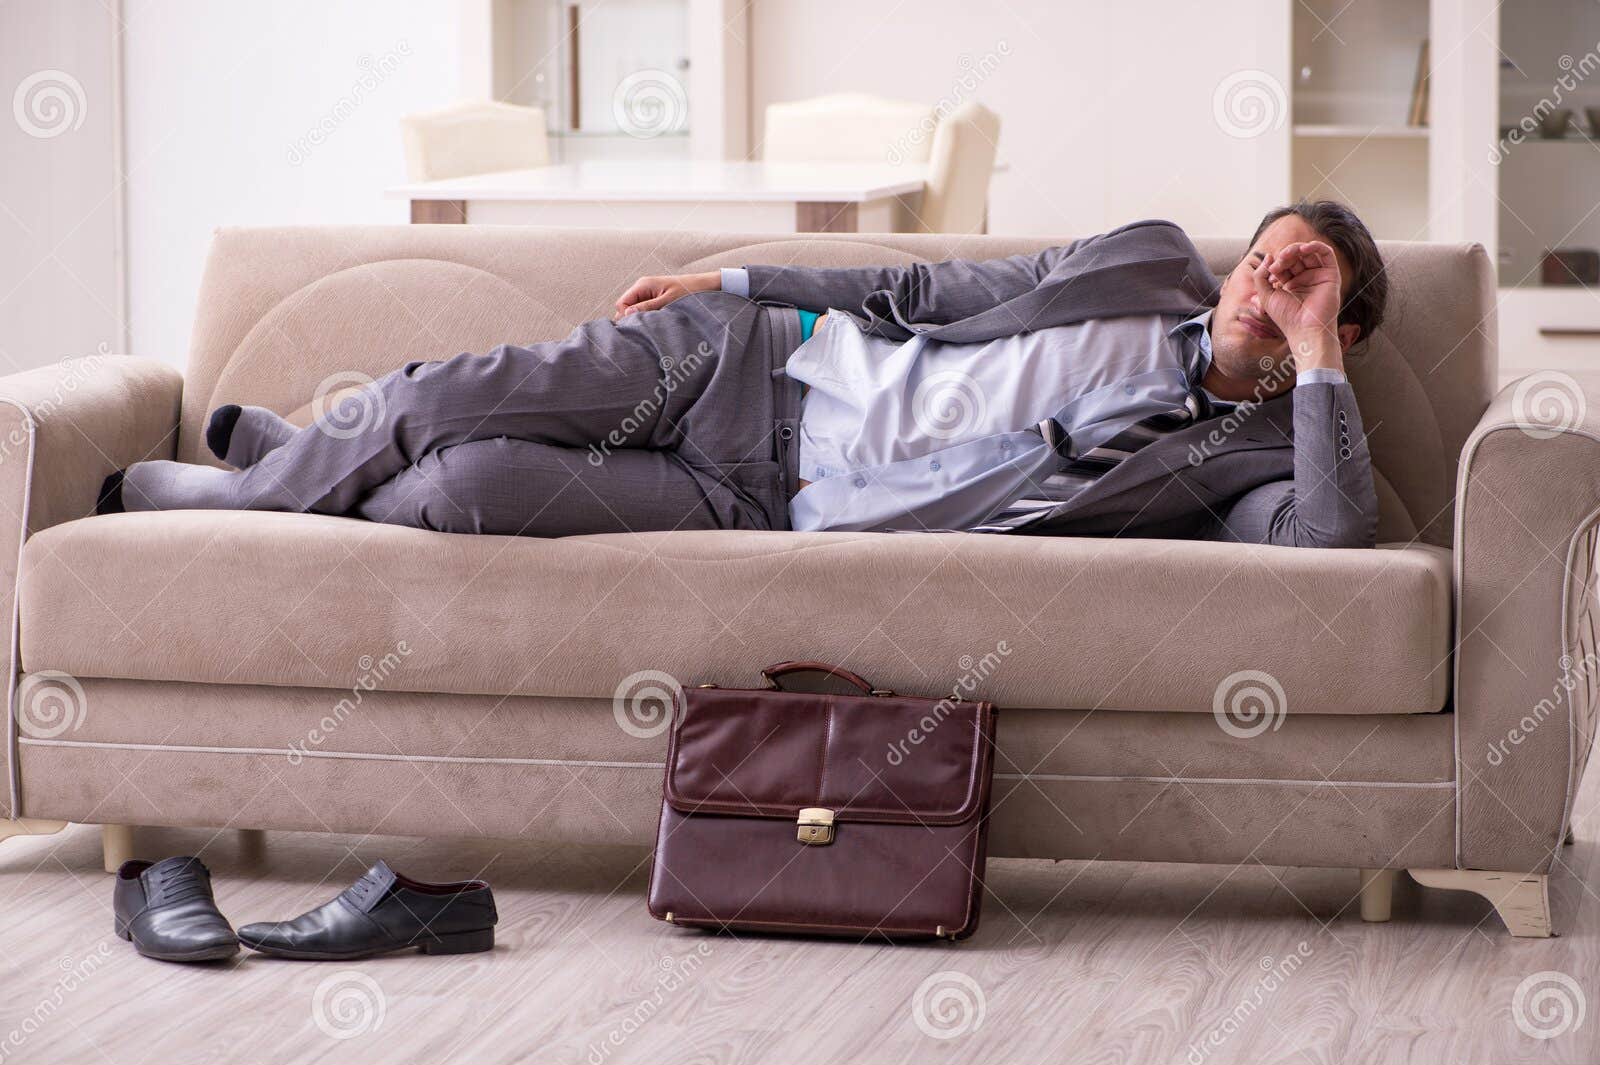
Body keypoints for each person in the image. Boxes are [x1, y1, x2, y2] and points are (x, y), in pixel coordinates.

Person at [102, 200, 1387, 548]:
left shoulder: (1262, 457)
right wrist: (738, 286)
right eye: (1268, 255)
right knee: (441, 402)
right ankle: (251, 498)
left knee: (460, 491)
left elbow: (1332, 539)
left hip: (770, 505)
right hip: (756, 369)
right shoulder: (1141, 260)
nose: (1267, 279)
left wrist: (1315, 356)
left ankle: (303, 452)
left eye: (1304, 280)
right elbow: (929, 293)